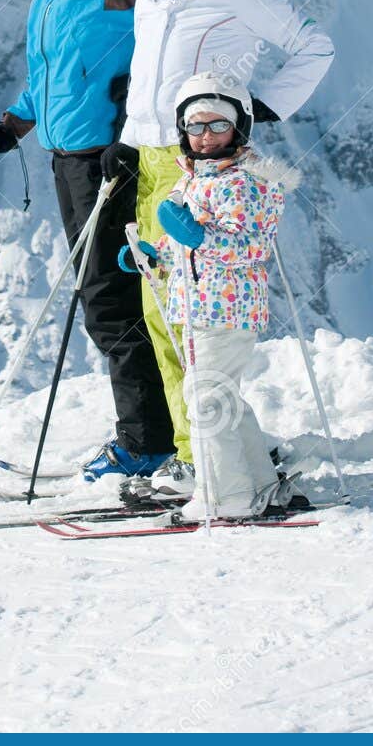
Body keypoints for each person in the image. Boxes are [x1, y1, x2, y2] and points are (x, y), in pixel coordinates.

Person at [103, 0, 334, 504]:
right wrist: (128, 140)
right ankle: (204, 450)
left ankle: (196, 456)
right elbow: (152, 77)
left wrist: (262, 107)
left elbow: (315, 45)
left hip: (201, 164)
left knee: (180, 316)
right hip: (152, 160)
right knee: (160, 311)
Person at [0, 0, 173, 482]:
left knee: (111, 299)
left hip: (113, 162)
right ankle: (151, 431)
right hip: (68, 165)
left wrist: (129, 133)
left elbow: (157, 61)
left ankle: (149, 441)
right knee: (102, 294)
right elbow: (48, 77)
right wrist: (11, 126)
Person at [135, 73, 302, 520]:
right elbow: (184, 246)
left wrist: (196, 235)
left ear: (238, 127)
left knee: (205, 398)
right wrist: (154, 255)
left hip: (228, 306)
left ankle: (226, 496)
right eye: (195, 125)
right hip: (199, 306)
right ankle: (260, 484)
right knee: (221, 397)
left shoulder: (245, 183)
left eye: (218, 125)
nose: (205, 136)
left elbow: (250, 247)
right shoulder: (194, 179)